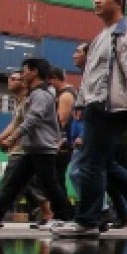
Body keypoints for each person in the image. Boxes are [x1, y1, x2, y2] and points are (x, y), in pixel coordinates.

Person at [54, 0, 127, 239]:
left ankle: (88, 221)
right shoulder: (102, 36)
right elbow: (93, 74)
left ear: (119, 2)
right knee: (102, 163)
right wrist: (81, 102)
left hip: (111, 108)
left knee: (91, 163)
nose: (97, 0)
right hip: (97, 106)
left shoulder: (125, 34)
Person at [0, 58, 75, 229]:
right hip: (34, 147)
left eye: (25, 70)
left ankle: (65, 217)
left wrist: (13, 138)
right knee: (15, 183)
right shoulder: (38, 93)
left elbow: (33, 119)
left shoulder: (41, 94)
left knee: (48, 184)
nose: (23, 74)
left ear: (34, 72)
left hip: (42, 147)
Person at [47, 66, 78, 200]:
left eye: (49, 82)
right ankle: (62, 208)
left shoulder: (66, 95)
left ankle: (63, 209)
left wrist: (54, 141)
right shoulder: (63, 93)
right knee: (56, 177)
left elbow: (61, 121)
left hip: (63, 142)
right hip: (62, 141)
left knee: (57, 177)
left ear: (54, 78)